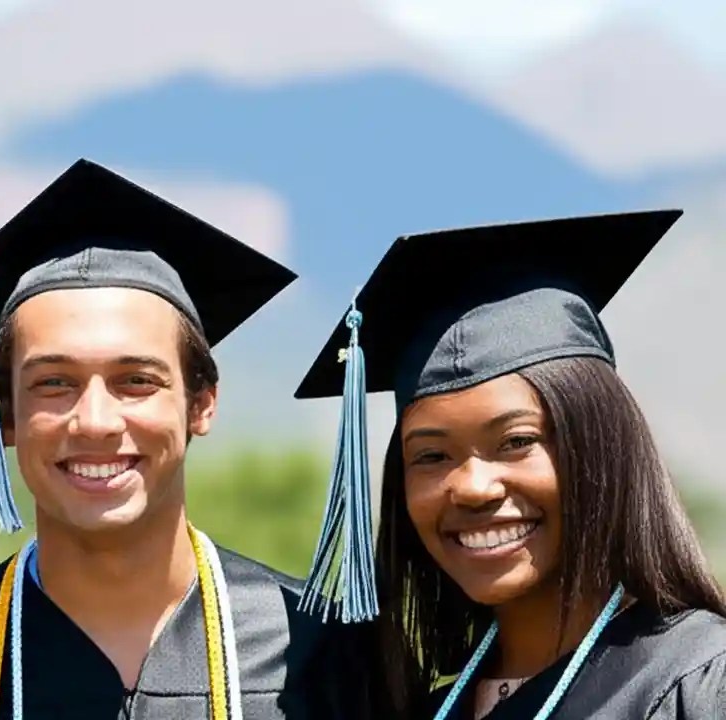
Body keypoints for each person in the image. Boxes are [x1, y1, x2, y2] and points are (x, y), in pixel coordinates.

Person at [0, 159, 373, 719]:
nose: (95, 421)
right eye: (54, 383)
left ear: (201, 402)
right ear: (5, 417)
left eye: (136, 381)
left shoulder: (319, 657)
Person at [294, 209, 726, 719]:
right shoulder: (427, 710)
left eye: (516, 441)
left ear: (605, 449)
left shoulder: (698, 682)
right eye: (432, 455)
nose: (474, 487)